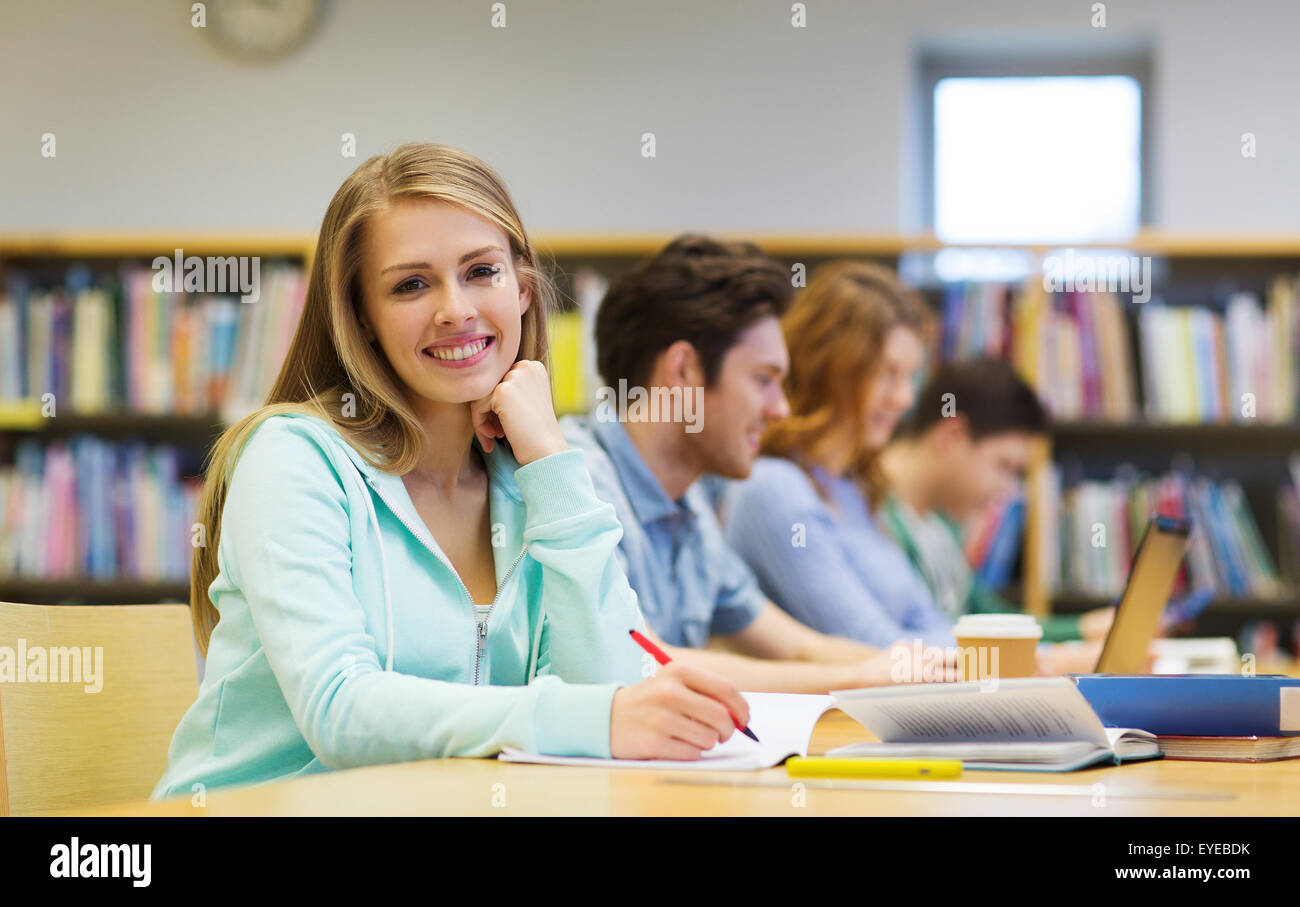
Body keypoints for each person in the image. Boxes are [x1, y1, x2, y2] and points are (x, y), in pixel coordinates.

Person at [153, 144, 753, 798]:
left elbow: (607, 690)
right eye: (411, 284)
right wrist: (590, 717)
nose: (455, 309)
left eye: (481, 272)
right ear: (361, 319)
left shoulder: (527, 484)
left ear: (522, 291)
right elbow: (338, 709)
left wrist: (552, 462)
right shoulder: (292, 459)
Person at [561, 236, 937, 694]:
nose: (780, 409)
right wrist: (856, 678)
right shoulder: (575, 483)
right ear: (684, 371)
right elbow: (644, 659)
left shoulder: (693, 509)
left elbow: (801, 648)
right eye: (763, 380)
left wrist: (945, 671)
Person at [723, 261, 955, 649]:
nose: (904, 399)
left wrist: (1031, 658)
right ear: (832, 368)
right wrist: (1008, 661)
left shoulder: (855, 486)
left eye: (909, 377)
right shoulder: (774, 487)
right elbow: (874, 647)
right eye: (887, 374)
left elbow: (928, 621)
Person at [878, 356, 1114, 644]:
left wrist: (1083, 630)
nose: (1008, 491)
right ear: (952, 436)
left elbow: (984, 615)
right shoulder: (872, 517)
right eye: (1004, 466)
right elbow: (932, 637)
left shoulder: (938, 522)